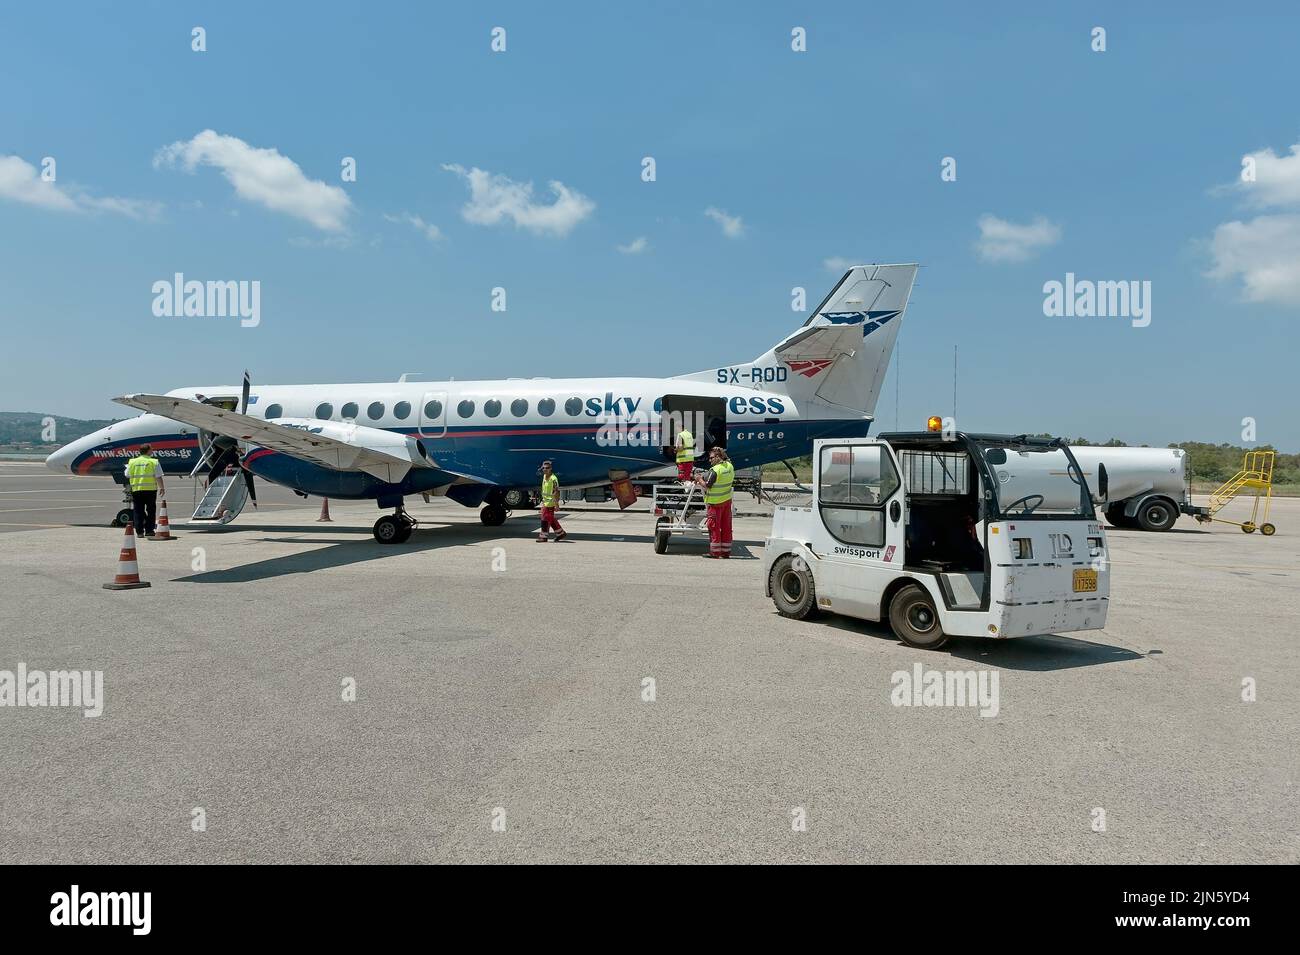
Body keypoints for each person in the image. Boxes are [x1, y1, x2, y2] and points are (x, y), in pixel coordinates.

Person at [695, 446, 734, 558]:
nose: (710, 460)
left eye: (711, 458)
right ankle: (726, 552)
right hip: (726, 502)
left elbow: (707, 486)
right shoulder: (730, 466)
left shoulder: (715, 470)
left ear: (718, 457)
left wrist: (699, 479)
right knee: (726, 527)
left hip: (715, 503)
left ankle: (715, 552)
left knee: (714, 527)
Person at [125, 443, 166, 539]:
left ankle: (139, 532)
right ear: (148, 451)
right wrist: (162, 488)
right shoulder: (154, 462)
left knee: (138, 511)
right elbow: (158, 476)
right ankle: (149, 531)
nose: (152, 451)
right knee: (151, 510)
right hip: (150, 490)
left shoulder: (132, 462)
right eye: (151, 449)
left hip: (137, 490)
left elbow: (127, 474)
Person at [536, 460, 567, 542]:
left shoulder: (553, 479)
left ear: (551, 469)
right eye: (544, 468)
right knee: (550, 518)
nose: (545, 470)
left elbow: (556, 491)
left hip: (551, 502)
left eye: (547, 468)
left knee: (545, 519)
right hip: (546, 501)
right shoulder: (544, 477)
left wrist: (556, 504)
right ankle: (560, 533)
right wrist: (543, 503)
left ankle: (543, 536)